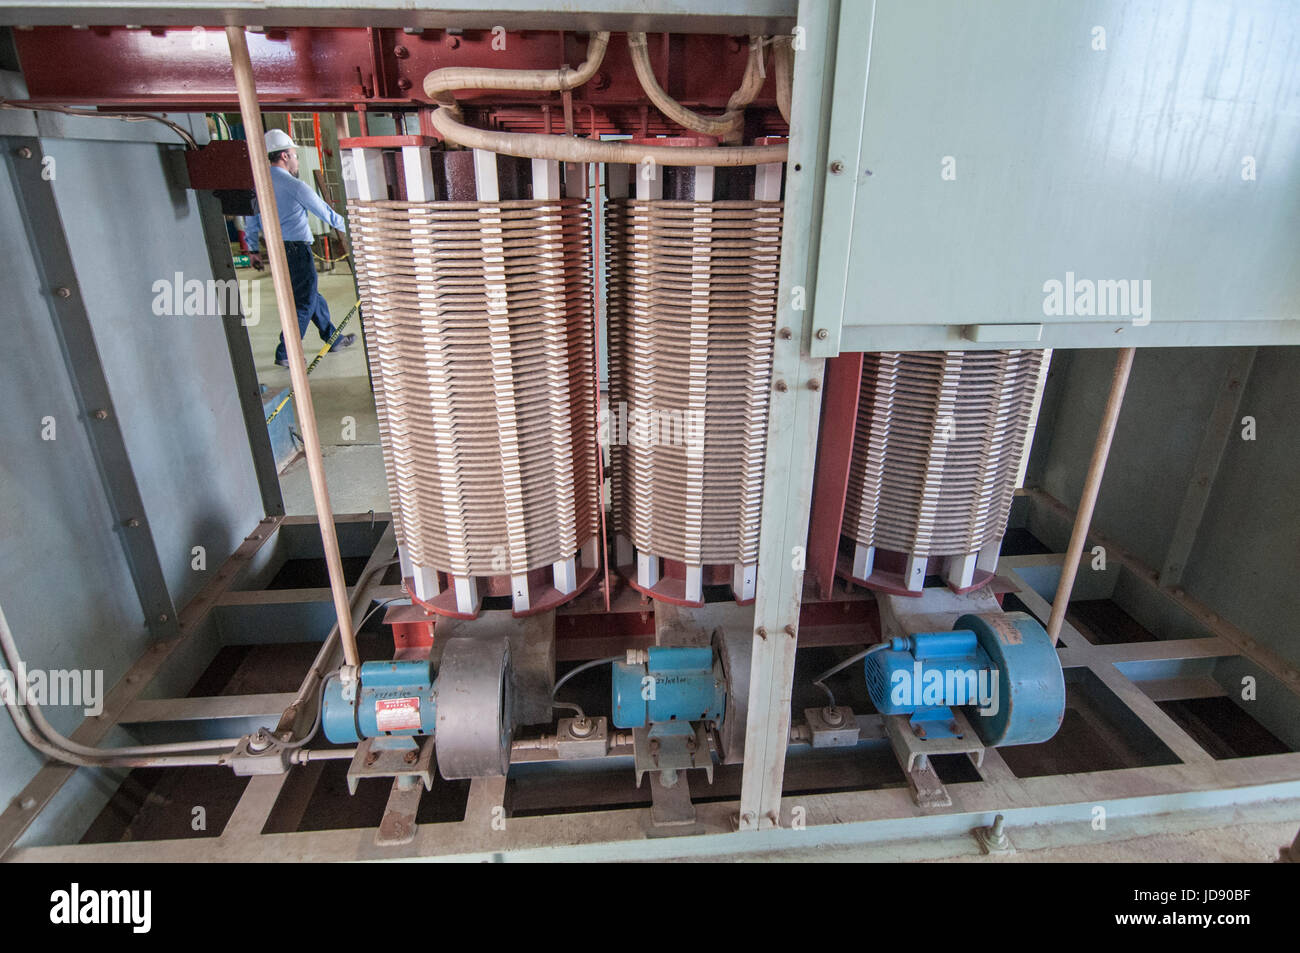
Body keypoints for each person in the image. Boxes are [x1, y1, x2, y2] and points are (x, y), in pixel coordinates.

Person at [245, 128, 356, 367]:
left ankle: (332, 337)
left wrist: (253, 249)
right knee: (304, 301)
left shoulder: (258, 185)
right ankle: (286, 351)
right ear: (284, 156)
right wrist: (355, 228)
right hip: (296, 250)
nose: (296, 160)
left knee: (312, 296)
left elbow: (251, 220)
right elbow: (325, 212)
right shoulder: (294, 186)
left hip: (275, 251)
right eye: (294, 155)